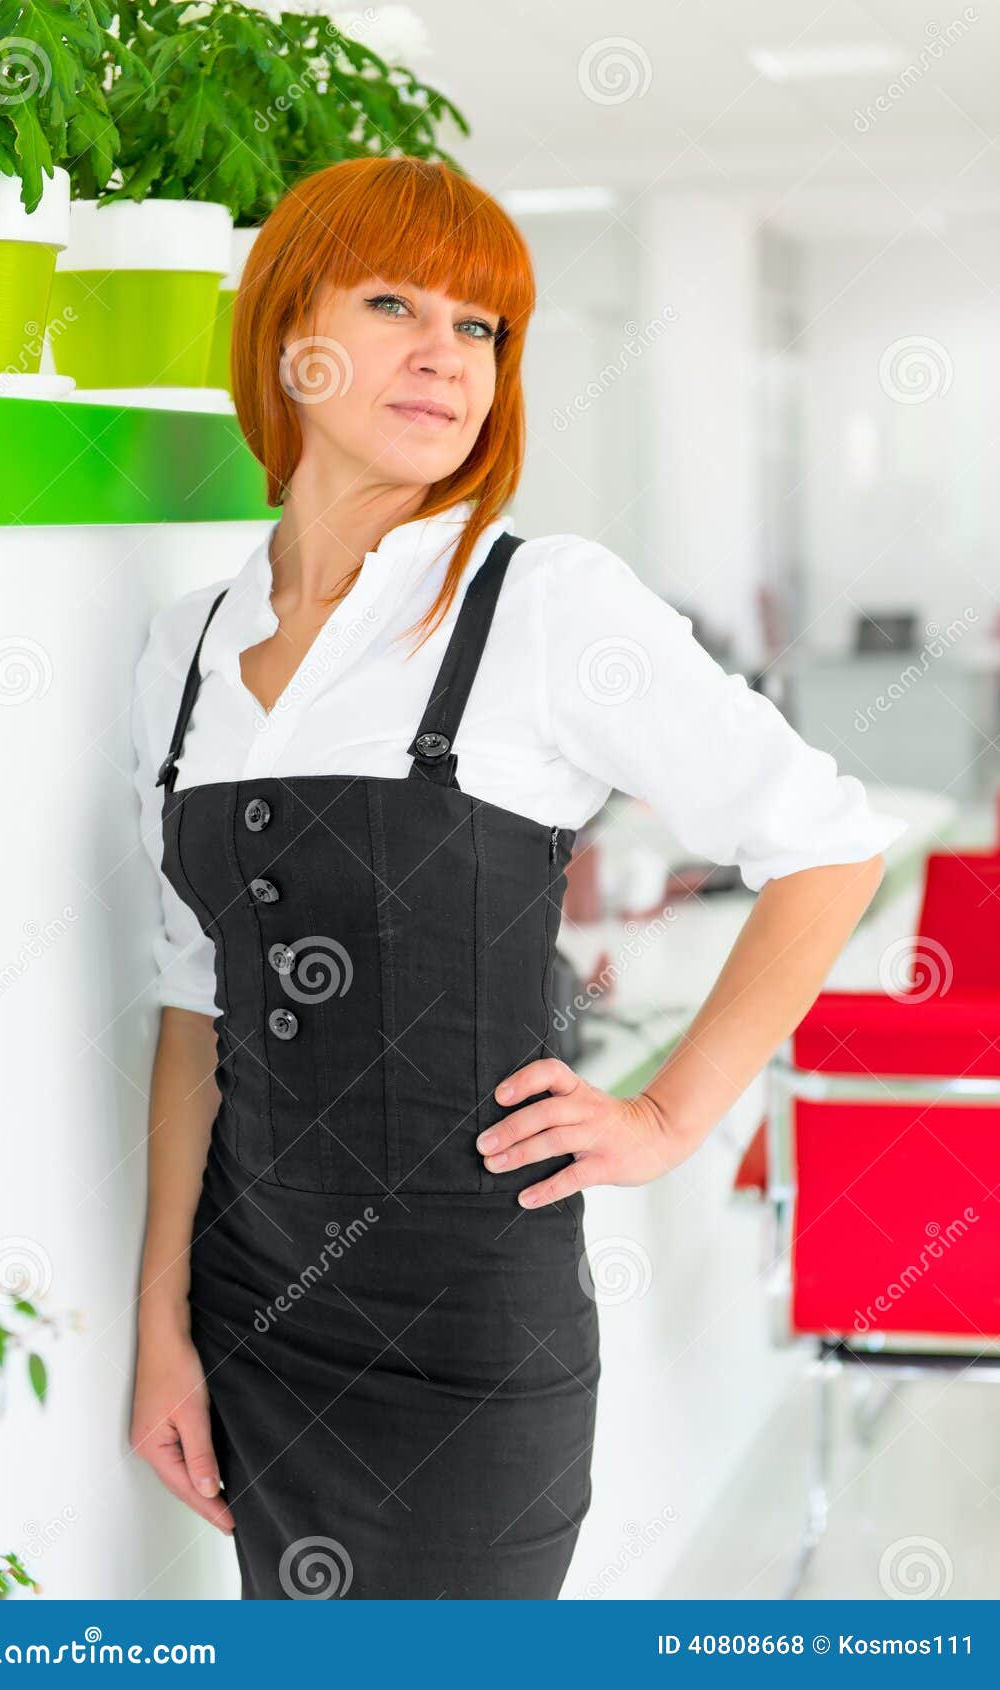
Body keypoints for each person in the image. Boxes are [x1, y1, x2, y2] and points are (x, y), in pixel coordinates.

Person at [128, 156, 906, 1600]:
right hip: (253, 1310)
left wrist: (670, 1110)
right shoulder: (183, 644)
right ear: (283, 331)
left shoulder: (545, 605)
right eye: (394, 303)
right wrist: (161, 1322)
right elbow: (195, 1003)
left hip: (466, 1341)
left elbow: (827, 840)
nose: (446, 353)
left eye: (482, 327)